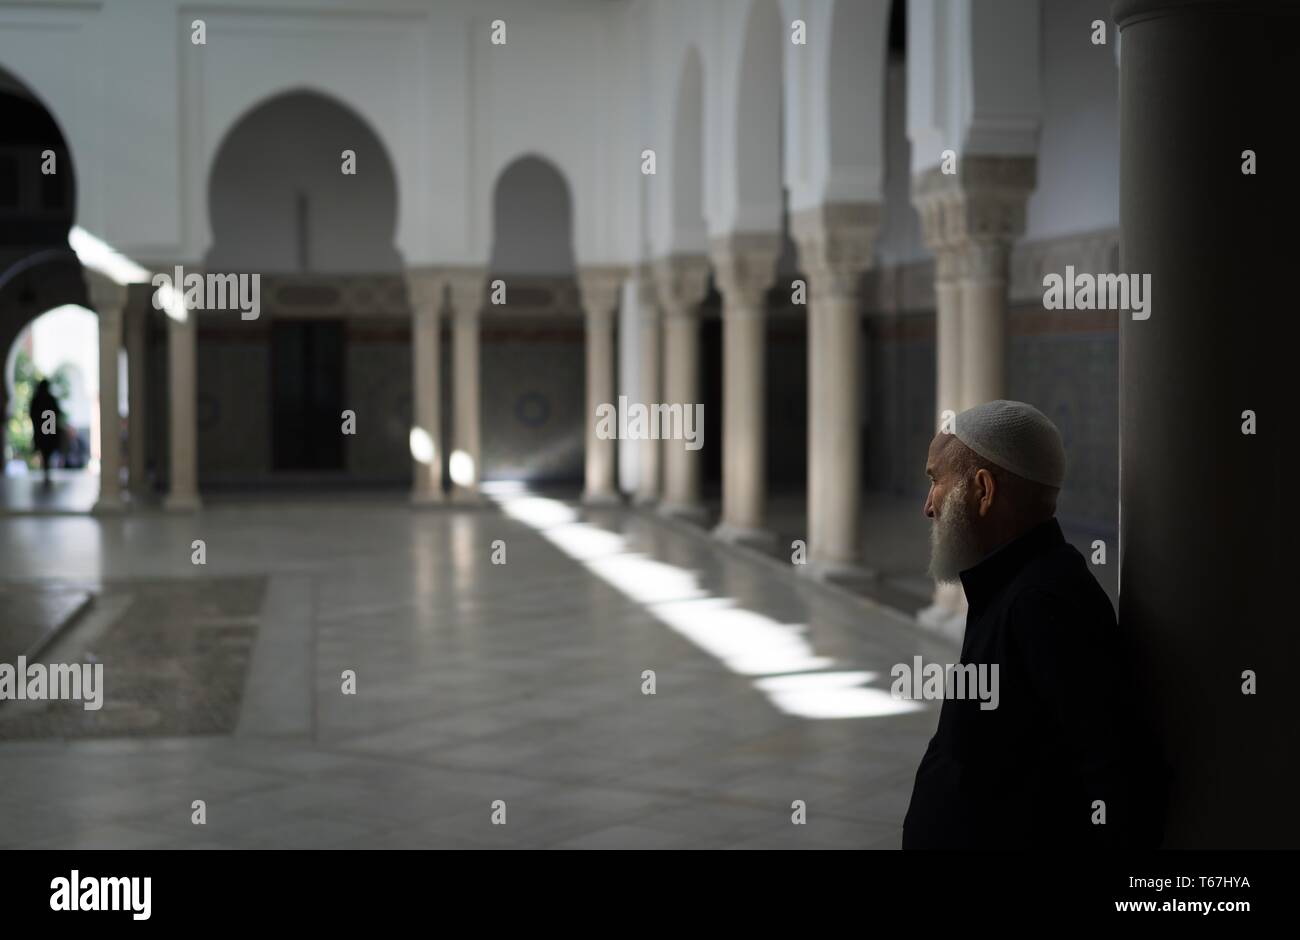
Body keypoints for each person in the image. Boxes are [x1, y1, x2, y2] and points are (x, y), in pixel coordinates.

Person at [902, 399, 1167, 849]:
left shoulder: (1041, 603)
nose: (929, 506)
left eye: (935, 480)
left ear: (983, 490)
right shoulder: (1007, 584)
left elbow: (1113, 774)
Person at [28, 378, 63, 485]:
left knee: (45, 452)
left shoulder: (36, 399)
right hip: (49, 430)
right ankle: (46, 472)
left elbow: (32, 414)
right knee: (47, 451)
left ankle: (46, 472)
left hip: (41, 430)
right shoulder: (50, 399)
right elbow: (57, 412)